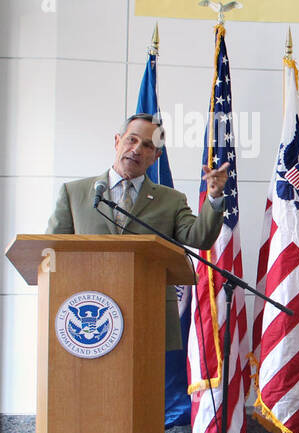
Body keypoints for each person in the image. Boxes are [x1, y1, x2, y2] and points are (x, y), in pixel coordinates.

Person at [45, 113, 230, 350]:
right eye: (131, 140)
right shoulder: (74, 193)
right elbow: (51, 252)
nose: (137, 149)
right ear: (117, 141)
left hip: (148, 313)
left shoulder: (170, 200)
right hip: (86, 316)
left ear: (156, 156)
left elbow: (199, 238)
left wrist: (214, 197)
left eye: (147, 145)